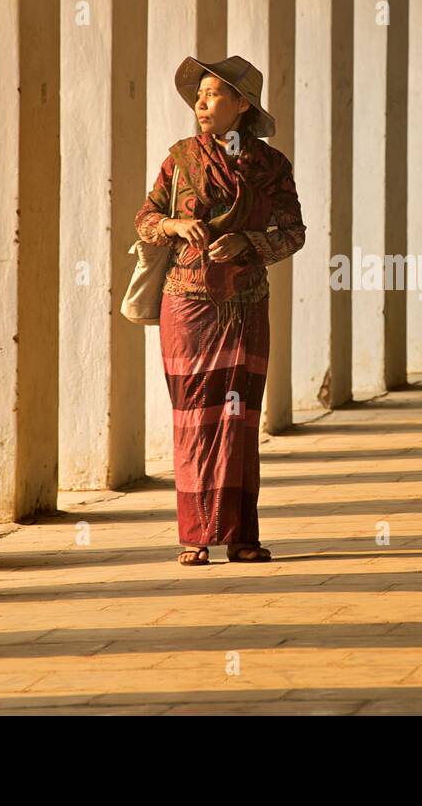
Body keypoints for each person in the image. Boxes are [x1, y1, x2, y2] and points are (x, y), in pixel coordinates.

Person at [135, 55, 305, 566]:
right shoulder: (181, 159)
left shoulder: (272, 167)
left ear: (242, 106)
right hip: (186, 304)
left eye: (214, 95)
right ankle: (194, 535)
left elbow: (293, 233)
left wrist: (248, 244)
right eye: (200, 94)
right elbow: (145, 218)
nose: (202, 103)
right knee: (192, 418)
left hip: (246, 304)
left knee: (238, 419)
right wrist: (172, 227)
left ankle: (240, 536)